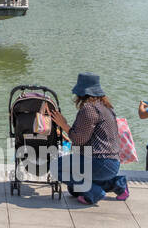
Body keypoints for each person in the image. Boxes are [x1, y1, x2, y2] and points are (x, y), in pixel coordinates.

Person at [47, 73, 130, 205]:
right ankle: (118, 184)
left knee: (56, 167)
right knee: (73, 189)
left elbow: (79, 139)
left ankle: (94, 193)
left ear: (81, 93)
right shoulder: (106, 107)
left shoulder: (89, 109)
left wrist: (63, 124)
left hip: (99, 162)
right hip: (113, 164)